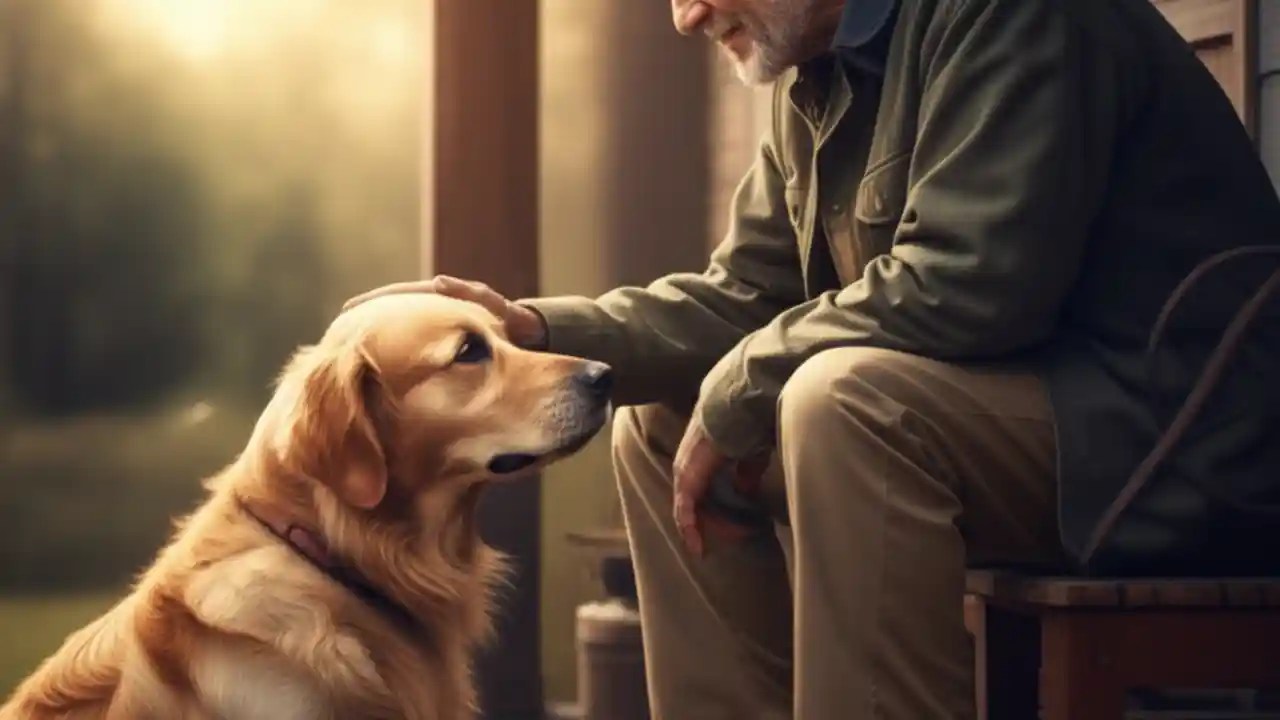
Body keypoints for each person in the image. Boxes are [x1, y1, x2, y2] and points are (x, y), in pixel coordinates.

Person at [346, 0, 1280, 717]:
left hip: (1170, 441)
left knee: (842, 402)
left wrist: (744, 385)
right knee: (656, 422)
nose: (686, 15)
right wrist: (530, 334)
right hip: (1043, 434)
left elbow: (974, 283)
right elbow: (744, 296)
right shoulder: (820, 78)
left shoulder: (1010, 15)